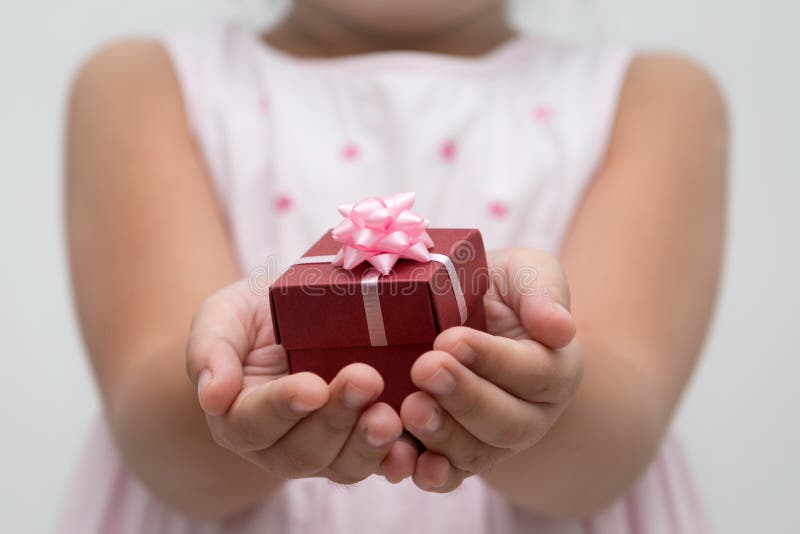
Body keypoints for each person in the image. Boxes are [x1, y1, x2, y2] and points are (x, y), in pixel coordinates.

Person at [61, 0, 727, 532]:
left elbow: (602, 459)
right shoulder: (143, 84)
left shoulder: (653, 96)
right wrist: (245, 377)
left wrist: (526, 371)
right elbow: (170, 457)